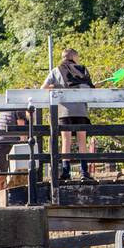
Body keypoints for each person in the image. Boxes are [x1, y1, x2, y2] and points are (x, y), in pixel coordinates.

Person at [42, 49, 95, 181]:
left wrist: (55, 86)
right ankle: (84, 172)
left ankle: (66, 172)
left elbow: (44, 88)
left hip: (64, 111)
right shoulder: (82, 69)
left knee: (66, 141)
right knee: (82, 141)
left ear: (63, 57)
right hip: (81, 110)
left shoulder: (56, 70)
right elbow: (89, 89)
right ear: (74, 57)